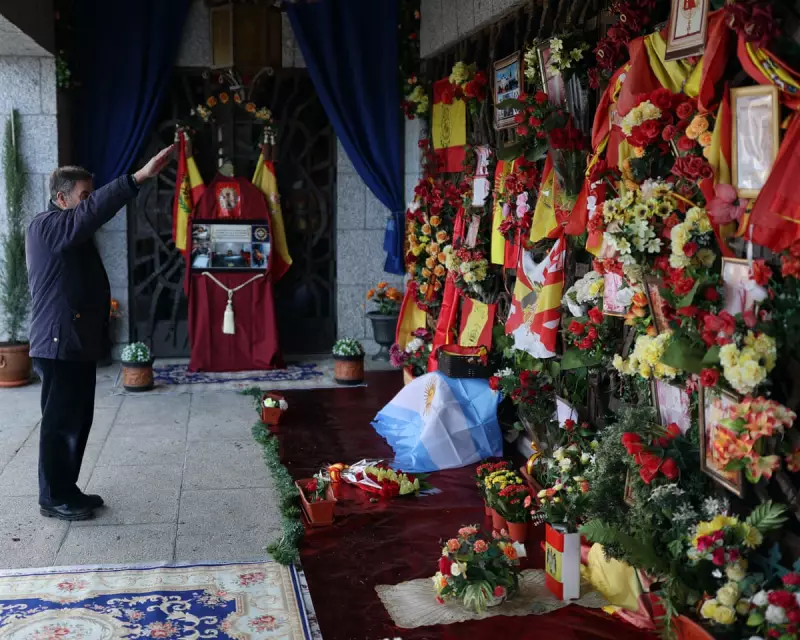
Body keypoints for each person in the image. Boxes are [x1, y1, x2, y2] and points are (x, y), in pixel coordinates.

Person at [26, 145, 174, 521]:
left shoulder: (67, 227)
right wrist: (137, 178)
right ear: (61, 198)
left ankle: (66, 488)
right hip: (57, 344)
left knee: (77, 420)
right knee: (60, 423)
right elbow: (91, 213)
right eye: (84, 195)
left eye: (91, 194)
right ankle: (52, 497)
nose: (89, 202)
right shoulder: (47, 225)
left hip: (73, 342)